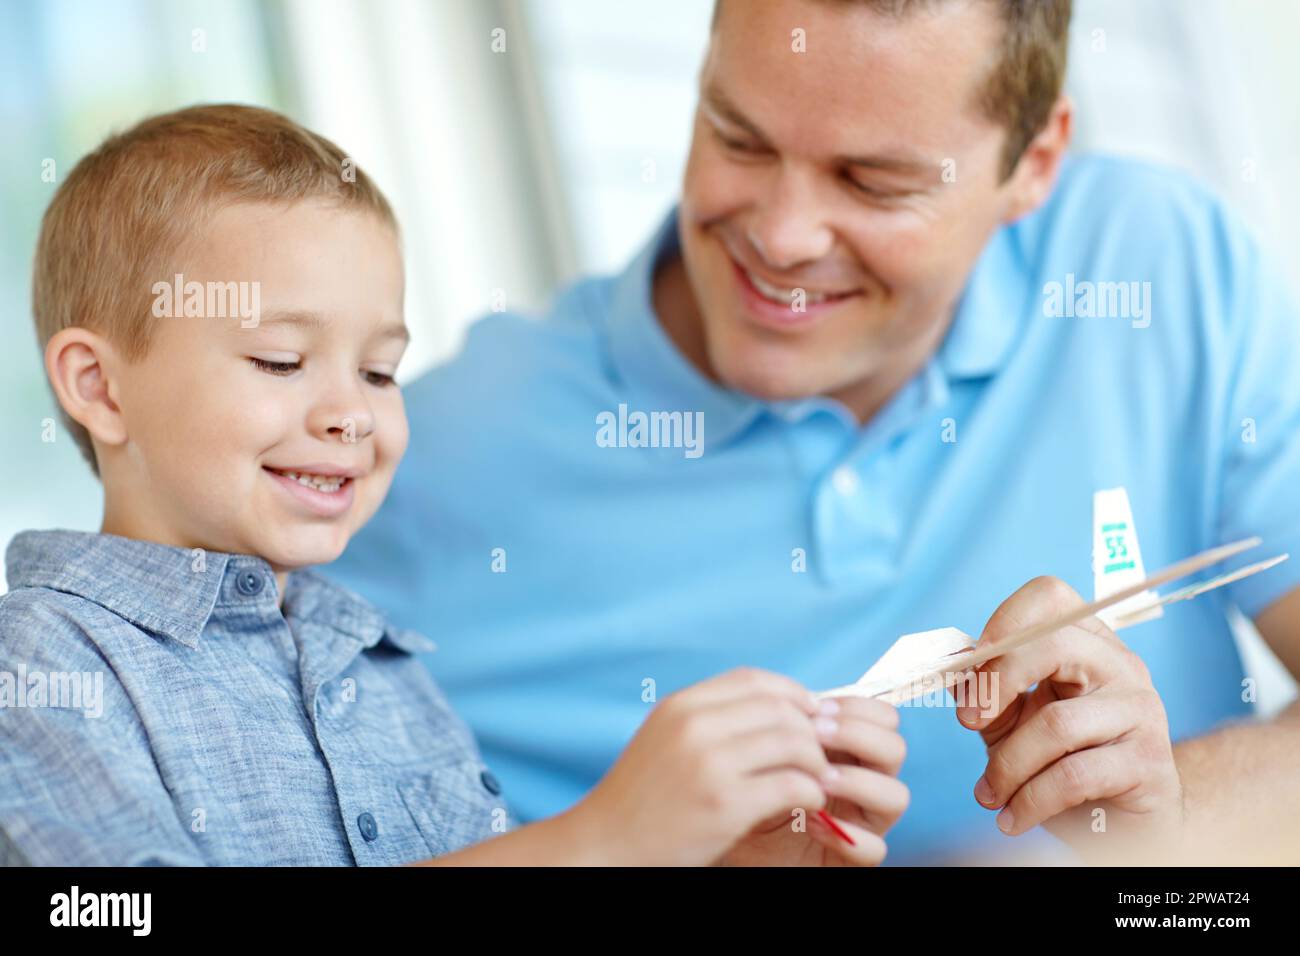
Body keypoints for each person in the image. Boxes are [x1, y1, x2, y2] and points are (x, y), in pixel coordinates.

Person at [330, 0, 1300, 864]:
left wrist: (1169, 826)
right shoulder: (427, 456)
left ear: (1032, 163)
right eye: (737, 139)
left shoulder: (1159, 271)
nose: (784, 235)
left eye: (874, 182)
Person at [0, 103, 908, 866]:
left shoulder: (379, 667)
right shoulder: (41, 666)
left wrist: (705, 857)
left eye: (380, 372)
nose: (351, 415)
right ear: (100, 386)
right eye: (282, 360)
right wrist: (599, 843)